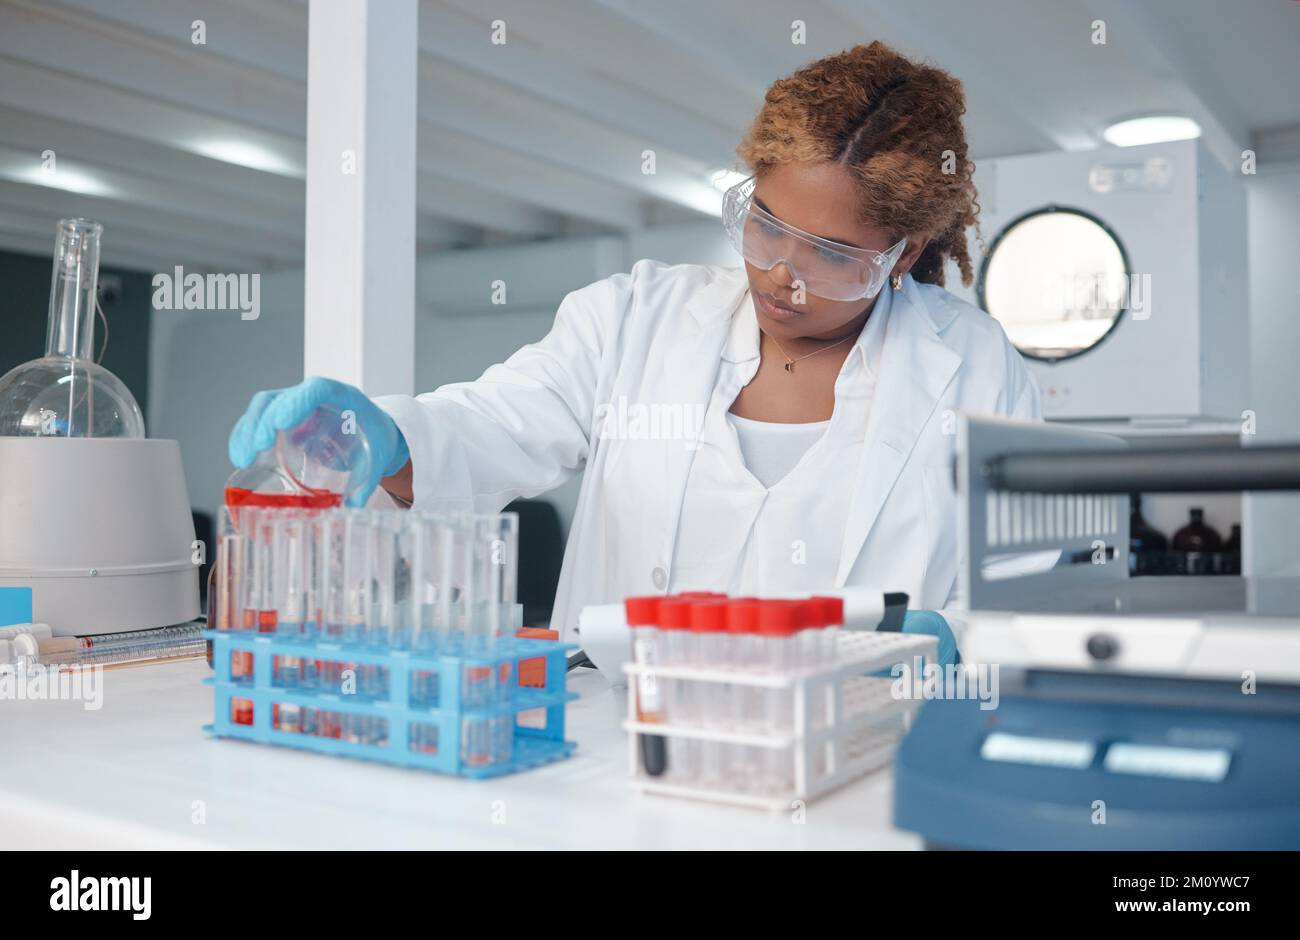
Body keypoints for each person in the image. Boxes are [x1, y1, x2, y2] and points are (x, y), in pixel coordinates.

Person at [229, 42, 1041, 665]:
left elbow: (1025, 600)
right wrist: (390, 438)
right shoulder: (635, 318)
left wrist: (951, 641)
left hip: (846, 769)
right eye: (764, 225)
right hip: (615, 765)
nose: (780, 276)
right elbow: (487, 428)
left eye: (831, 254)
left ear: (904, 253)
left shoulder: (974, 366)